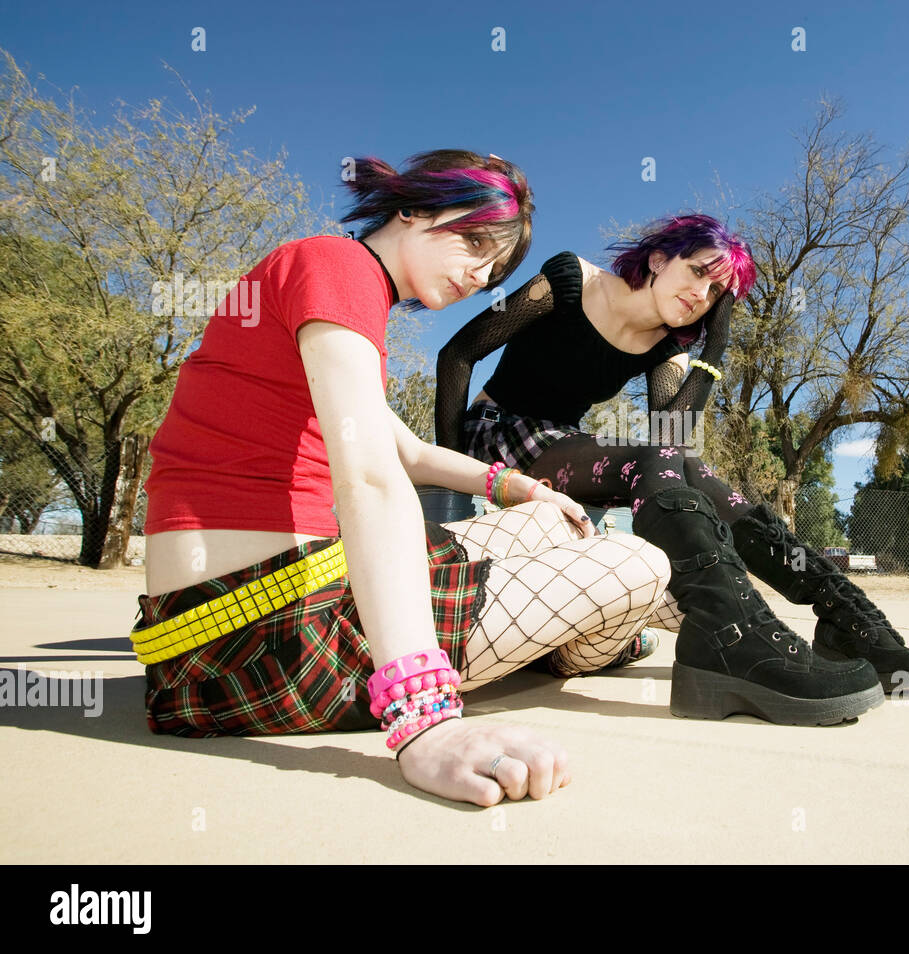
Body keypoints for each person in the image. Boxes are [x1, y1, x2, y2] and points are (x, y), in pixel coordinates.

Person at [132, 149, 673, 808]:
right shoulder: (340, 267)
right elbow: (371, 477)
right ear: (415, 207)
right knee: (638, 564)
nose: (480, 273)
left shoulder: (330, 288)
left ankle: (570, 623)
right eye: (474, 240)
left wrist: (525, 488)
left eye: (496, 267)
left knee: (546, 521)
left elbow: (409, 451)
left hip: (255, 611)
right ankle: (582, 637)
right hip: (263, 639)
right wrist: (425, 720)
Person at [436, 214, 909, 725]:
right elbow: (457, 353)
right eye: (699, 272)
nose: (702, 294)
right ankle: (733, 632)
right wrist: (450, 478)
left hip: (562, 447)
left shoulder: (666, 343)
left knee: (682, 463)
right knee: (659, 460)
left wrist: (713, 347)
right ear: (659, 260)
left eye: (717, 292)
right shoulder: (570, 281)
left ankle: (838, 610)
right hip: (498, 431)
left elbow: (670, 441)